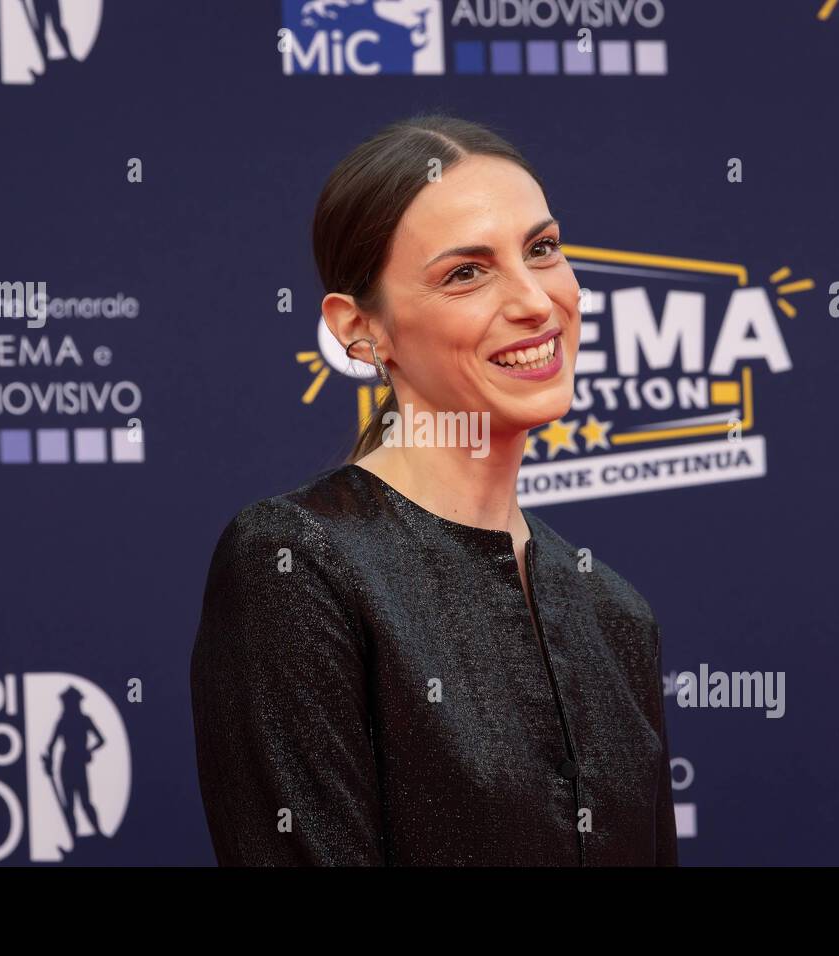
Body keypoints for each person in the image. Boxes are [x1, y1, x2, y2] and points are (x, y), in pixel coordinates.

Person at [190, 113, 677, 866]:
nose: (536, 303)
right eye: (466, 273)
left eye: (542, 250)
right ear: (361, 330)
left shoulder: (612, 611)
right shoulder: (296, 564)